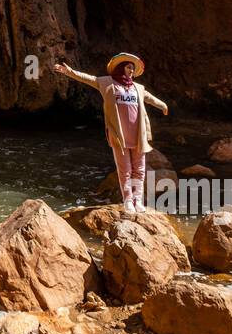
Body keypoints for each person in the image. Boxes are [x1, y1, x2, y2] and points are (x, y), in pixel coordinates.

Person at [53, 53, 169, 214]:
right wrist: (70, 72)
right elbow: (89, 79)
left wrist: (163, 106)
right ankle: (128, 200)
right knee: (125, 170)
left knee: (140, 169)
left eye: (133, 69)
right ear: (121, 67)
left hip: (138, 135)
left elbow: (150, 99)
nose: (131, 71)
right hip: (119, 135)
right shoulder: (107, 83)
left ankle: (138, 200)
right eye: (129, 67)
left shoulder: (138, 88)